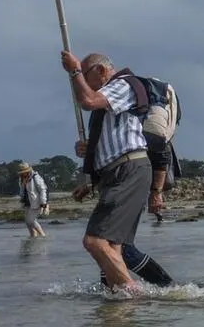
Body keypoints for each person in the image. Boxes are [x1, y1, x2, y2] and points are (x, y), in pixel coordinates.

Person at [63, 51, 154, 293]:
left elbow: (88, 101)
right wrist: (88, 163)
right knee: (113, 247)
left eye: (86, 74)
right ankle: (120, 308)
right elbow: (107, 141)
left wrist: (74, 71)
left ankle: (134, 294)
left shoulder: (122, 85)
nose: (83, 81)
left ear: (102, 71)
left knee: (94, 241)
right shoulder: (107, 105)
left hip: (129, 169)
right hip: (115, 173)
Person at [17, 162, 48, 238]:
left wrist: (43, 203)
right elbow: (22, 191)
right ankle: (33, 236)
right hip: (27, 202)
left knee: (31, 221)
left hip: (35, 202)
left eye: (24, 172)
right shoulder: (22, 179)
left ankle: (43, 235)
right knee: (27, 222)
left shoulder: (35, 177)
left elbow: (42, 190)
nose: (22, 174)